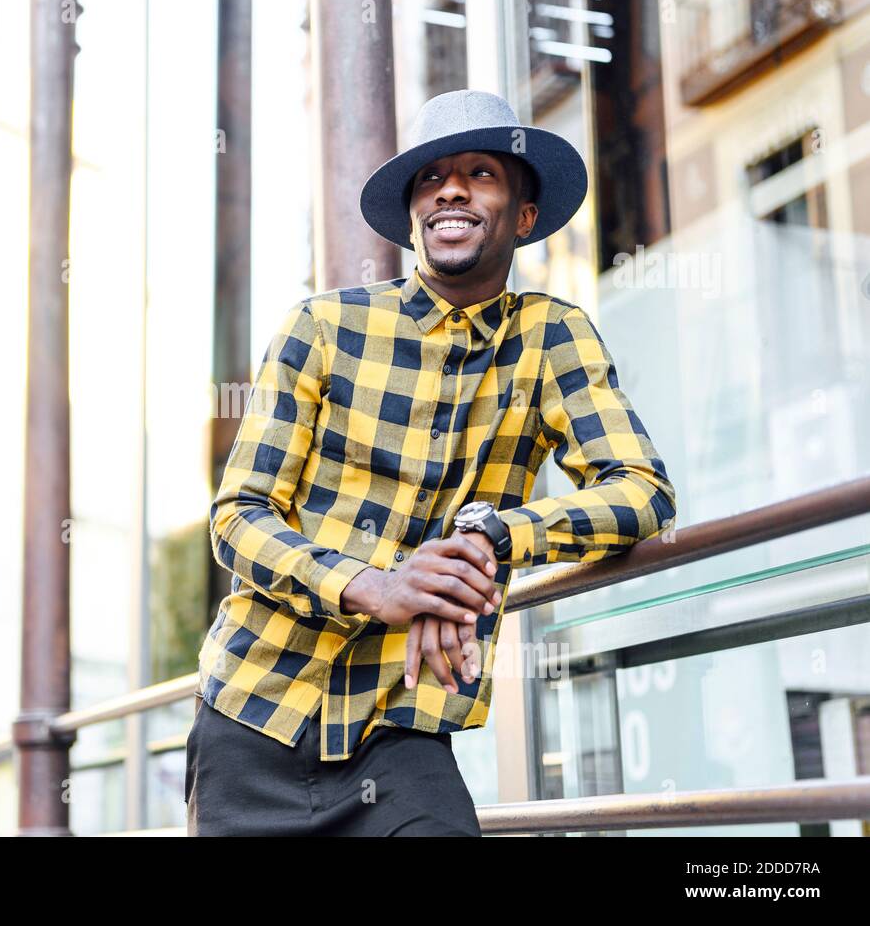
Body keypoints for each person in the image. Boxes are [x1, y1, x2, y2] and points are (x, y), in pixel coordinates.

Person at [187, 88, 677, 836]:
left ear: (523, 214)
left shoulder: (549, 337)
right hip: (253, 716)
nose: (450, 188)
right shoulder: (323, 326)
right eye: (430, 177)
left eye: (480, 172)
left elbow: (641, 491)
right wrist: (371, 588)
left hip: (400, 732)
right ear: (415, 215)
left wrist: (493, 536)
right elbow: (237, 517)